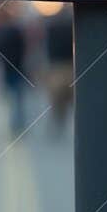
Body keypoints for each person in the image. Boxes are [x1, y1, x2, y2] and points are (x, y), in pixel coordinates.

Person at [0, 5, 31, 131]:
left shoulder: (3, 32)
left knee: (12, 97)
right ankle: (17, 123)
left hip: (10, 68)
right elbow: (24, 48)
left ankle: (14, 123)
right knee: (17, 97)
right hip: (17, 67)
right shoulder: (15, 30)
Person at [42, 7, 73, 139]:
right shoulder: (70, 27)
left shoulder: (51, 28)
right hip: (70, 67)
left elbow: (47, 50)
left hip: (56, 69)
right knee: (72, 101)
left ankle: (56, 128)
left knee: (56, 103)